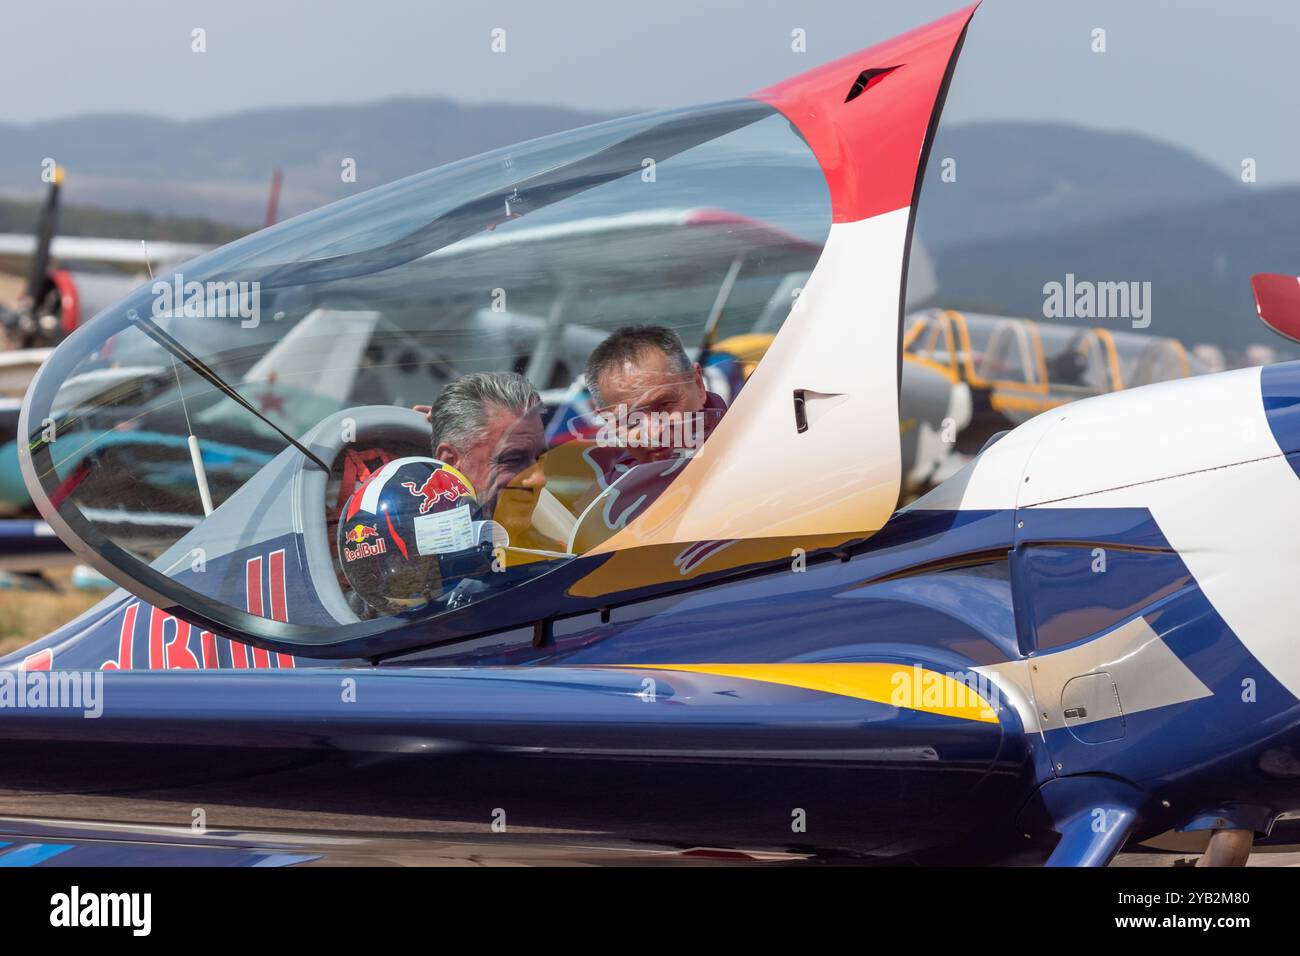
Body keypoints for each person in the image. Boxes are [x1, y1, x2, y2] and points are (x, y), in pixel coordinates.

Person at [416, 371, 552, 551]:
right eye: (513, 459)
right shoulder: (408, 561)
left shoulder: (563, 561)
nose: (539, 479)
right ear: (449, 462)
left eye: (539, 459)